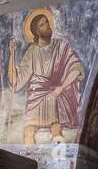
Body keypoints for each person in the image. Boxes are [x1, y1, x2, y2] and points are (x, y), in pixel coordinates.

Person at [7, 10, 84, 144]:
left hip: (55, 93)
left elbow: (76, 68)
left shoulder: (61, 46)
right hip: (36, 94)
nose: (47, 26)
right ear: (37, 32)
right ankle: (28, 156)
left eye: (46, 22)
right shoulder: (31, 51)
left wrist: (62, 87)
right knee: (29, 131)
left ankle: (58, 157)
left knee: (56, 128)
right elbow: (16, 82)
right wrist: (12, 54)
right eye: (42, 25)